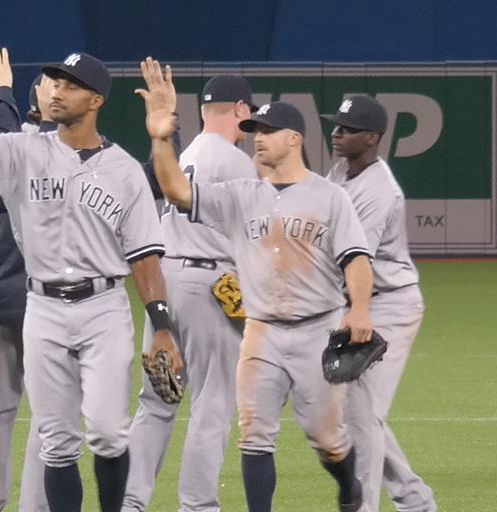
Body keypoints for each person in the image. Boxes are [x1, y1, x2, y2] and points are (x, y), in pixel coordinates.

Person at [0, 46, 180, 512]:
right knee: (57, 441)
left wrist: (161, 326)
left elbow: (145, 258)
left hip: (103, 307)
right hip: (41, 307)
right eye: (55, 83)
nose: (57, 92)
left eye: (70, 86)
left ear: (97, 100)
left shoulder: (123, 170)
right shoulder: (23, 151)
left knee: (105, 431)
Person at [140, 57, 373, 512]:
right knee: (254, 434)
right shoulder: (241, 195)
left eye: (267, 131)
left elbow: (356, 259)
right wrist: (160, 138)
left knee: (327, 439)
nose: (257, 138)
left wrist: (360, 309)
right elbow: (175, 191)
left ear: (294, 139)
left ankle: (348, 484)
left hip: (316, 329)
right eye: (255, 130)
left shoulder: (329, 197)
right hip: (261, 332)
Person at [121, 75, 257, 512]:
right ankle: (198, 506)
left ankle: (129, 501)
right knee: (213, 403)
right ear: (241, 108)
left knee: (156, 403)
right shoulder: (237, 162)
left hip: (165, 280)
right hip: (208, 285)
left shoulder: (188, 153)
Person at [323, 95, 437, 512]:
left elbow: (354, 261)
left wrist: (355, 314)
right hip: (357, 300)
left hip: (385, 305)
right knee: (352, 412)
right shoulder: (340, 171)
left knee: (362, 413)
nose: (337, 133)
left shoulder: (379, 191)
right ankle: (416, 500)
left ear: (372, 137)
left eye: (347, 128)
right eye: (336, 125)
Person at [0, 65, 52, 512]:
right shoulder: (65, 155)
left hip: (1, 293)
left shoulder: (5, 151)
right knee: (48, 414)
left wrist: (1, 93)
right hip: (46, 302)